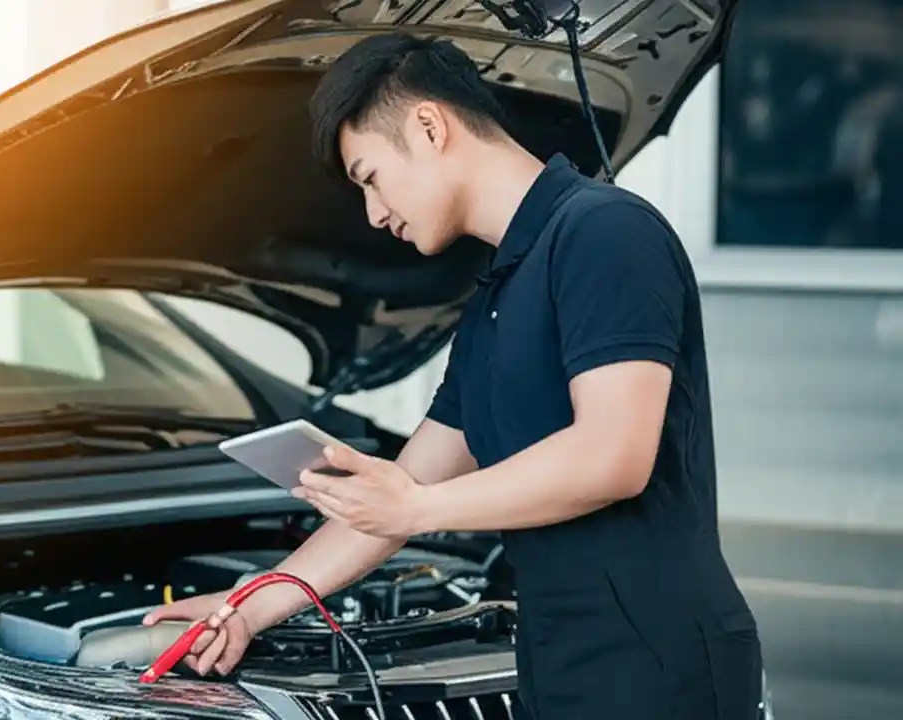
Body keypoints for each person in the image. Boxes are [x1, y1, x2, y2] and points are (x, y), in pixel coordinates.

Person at [143, 32, 764, 719]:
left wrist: (417, 508)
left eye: (369, 177)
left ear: (429, 126)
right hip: (558, 662)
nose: (375, 214)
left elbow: (612, 457)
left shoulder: (606, 233)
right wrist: (251, 604)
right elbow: (406, 490)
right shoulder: (497, 296)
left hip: (658, 666)